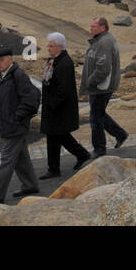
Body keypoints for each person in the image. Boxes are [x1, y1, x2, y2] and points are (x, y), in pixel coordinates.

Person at [0, 47, 41, 204]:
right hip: (8, 125)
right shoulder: (2, 77)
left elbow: (31, 101)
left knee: (7, 160)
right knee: (21, 157)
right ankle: (30, 185)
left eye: (1, 60)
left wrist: (16, 118)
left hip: (15, 126)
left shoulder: (18, 75)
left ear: (10, 59)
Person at [39, 32, 90, 179]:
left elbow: (63, 89)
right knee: (57, 136)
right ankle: (78, 156)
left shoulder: (64, 63)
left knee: (57, 135)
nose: (48, 48)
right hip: (54, 107)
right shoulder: (54, 60)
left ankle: (56, 167)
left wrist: (52, 104)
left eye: (51, 46)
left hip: (59, 108)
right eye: (48, 45)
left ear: (60, 47)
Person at [81, 16, 128, 155]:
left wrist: (90, 82)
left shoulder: (104, 42)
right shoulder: (100, 40)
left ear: (102, 28)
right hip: (100, 86)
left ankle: (100, 149)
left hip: (101, 87)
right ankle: (120, 134)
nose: (90, 29)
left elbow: (103, 68)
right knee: (99, 114)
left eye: (93, 26)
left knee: (95, 118)